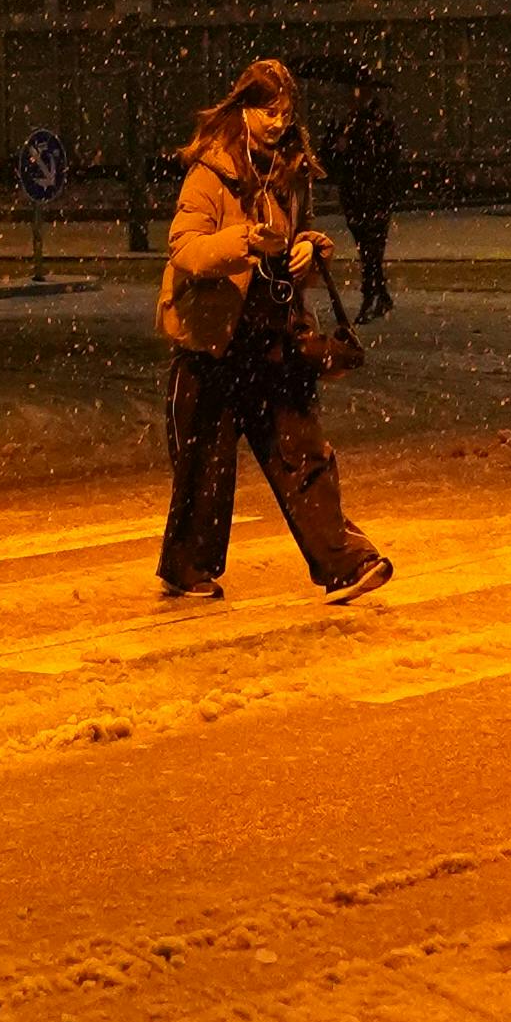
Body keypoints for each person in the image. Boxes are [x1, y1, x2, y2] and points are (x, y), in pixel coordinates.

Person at [156, 55, 391, 609]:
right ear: (243, 108)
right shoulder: (209, 172)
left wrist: (308, 248)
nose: (277, 122)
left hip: (272, 338)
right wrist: (243, 242)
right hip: (212, 343)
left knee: (302, 452)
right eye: (266, 110)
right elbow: (183, 248)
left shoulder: (292, 169)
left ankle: (344, 562)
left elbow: (292, 242)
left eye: (285, 111)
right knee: (205, 470)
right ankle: (188, 567)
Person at [321, 63, 409, 321]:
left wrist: (350, 149)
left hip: (375, 193)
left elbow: (387, 158)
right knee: (367, 248)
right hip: (356, 193)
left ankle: (371, 296)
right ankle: (379, 295)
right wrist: (337, 146)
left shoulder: (378, 124)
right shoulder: (345, 124)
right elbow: (329, 161)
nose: (354, 97)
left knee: (372, 248)